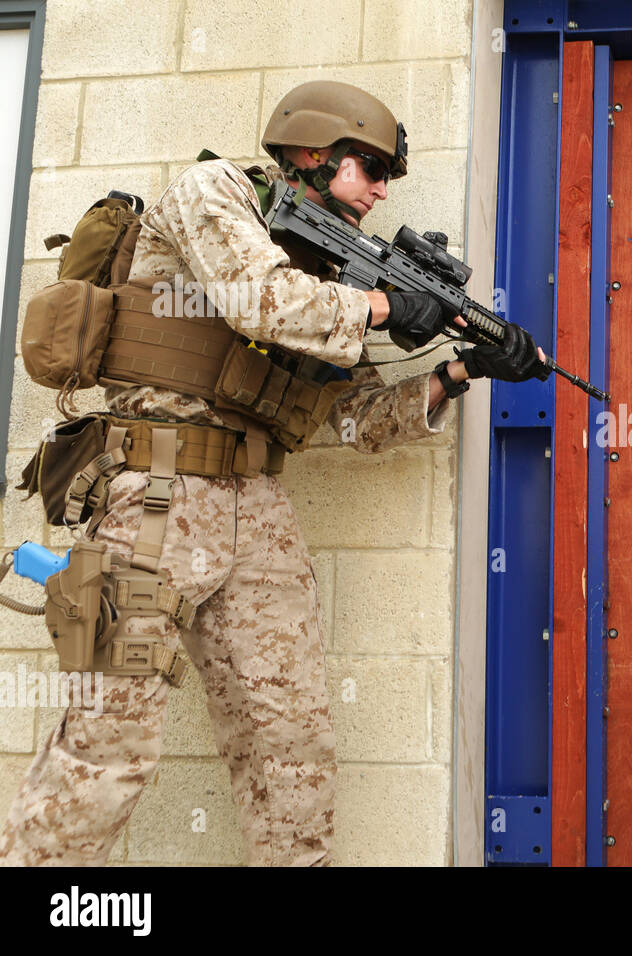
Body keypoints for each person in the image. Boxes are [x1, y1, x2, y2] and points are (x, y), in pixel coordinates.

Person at [0, 80, 546, 866]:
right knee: (108, 746)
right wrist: (387, 310)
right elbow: (259, 299)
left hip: (257, 509)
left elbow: (355, 418)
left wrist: (458, 371)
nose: (383, 190)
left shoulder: (332, 273)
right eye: (373, 167)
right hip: (153, 494)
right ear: (313, 151)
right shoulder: (214, 192)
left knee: (294, 748)